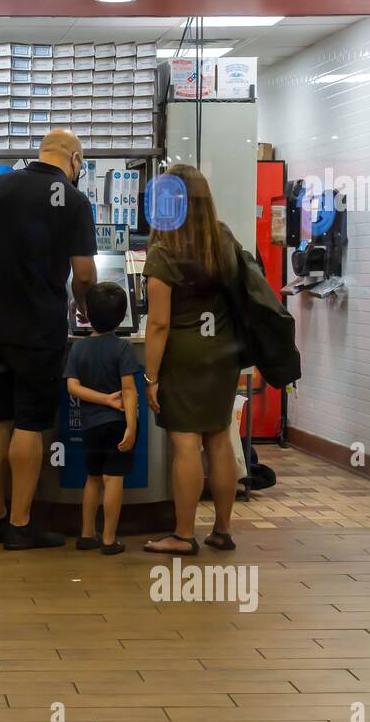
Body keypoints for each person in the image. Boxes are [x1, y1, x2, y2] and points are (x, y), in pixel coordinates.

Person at [0, 130, 97, 550]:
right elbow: (85, 271)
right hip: (39, 328)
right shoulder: (74, 201)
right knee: (30, 423)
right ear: (74, 160)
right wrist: (82, 305)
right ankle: (22, 525)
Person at [140, 164, 241, 555]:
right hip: (222, 350)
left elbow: (160, 323)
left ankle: (183, 535)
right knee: (219, 438)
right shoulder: (223, 236)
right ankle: (223, 529)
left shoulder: (165, 247)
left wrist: (151, 377)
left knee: (185, 443)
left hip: (184, 354)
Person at [64, 282, 139, 555]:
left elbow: (72, 387)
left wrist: (100, 399)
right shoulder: (122, 348)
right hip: (118, 424)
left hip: (90, 425)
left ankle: (86, 534)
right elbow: (129, 390)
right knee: (113, 478)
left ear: (86, 314)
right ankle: (109, 538)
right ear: (122, 317)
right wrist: (130, 424)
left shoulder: (79, 349)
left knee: (93, 478)